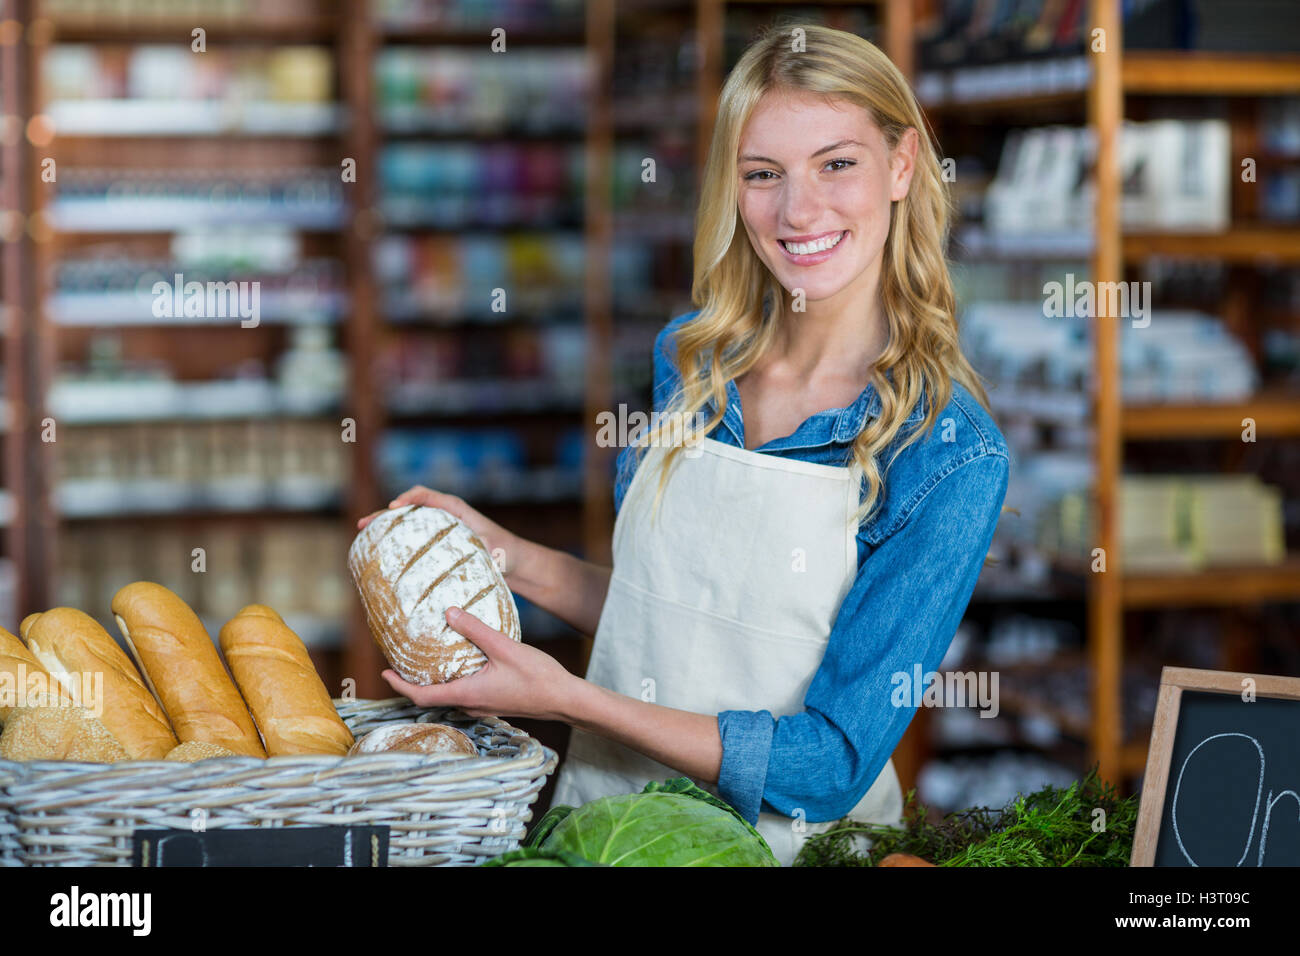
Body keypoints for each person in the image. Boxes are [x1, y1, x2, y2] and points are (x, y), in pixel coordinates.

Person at [358, 22, 1009, 866]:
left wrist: (572, 701)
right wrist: (506, 558)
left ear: (902, 165)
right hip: (600, 831)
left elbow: (832, 763)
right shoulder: (692, 360)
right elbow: (671, 616)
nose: (797, 210)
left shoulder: (947, 451)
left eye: (836, 163)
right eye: (762, 174)